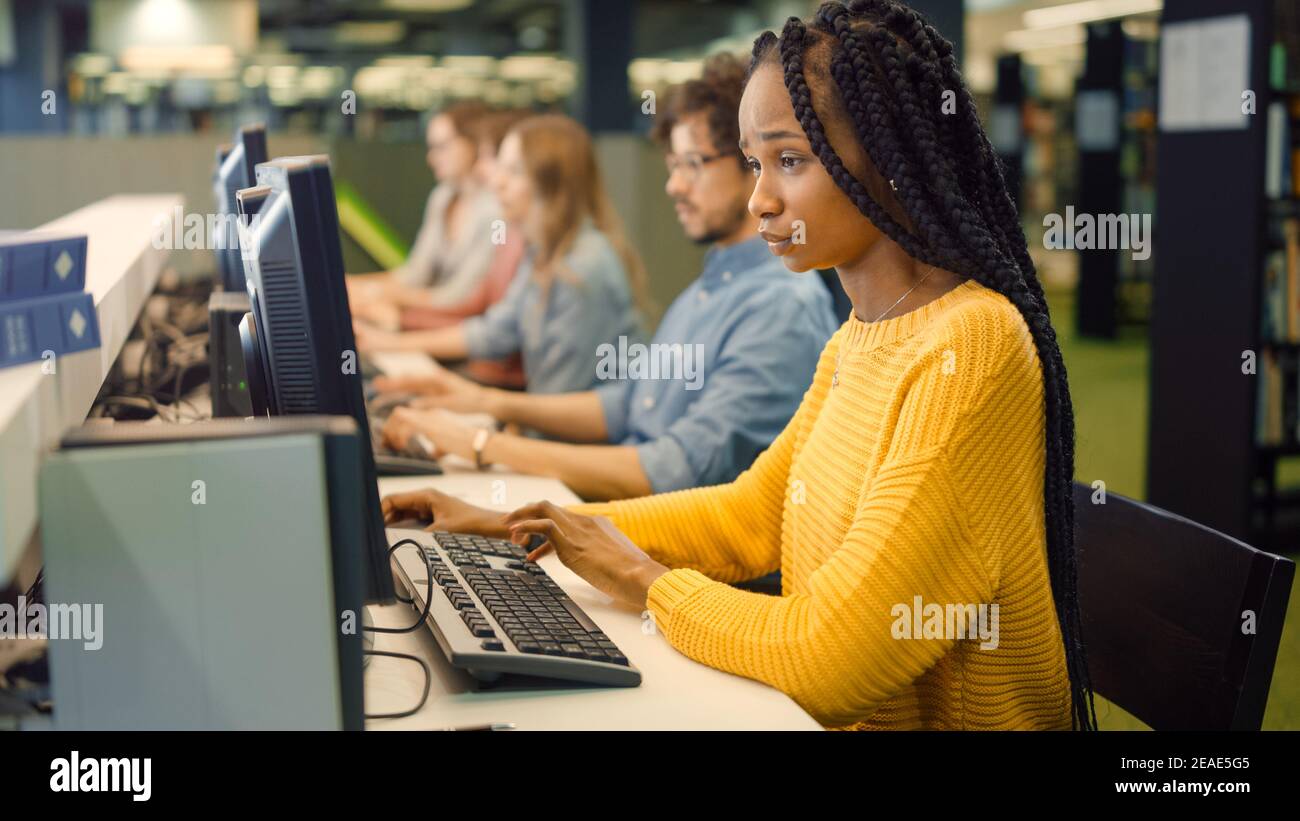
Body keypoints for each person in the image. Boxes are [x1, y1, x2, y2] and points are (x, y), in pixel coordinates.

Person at [381, 0, 1095, 731]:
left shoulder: (973, 345)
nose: (761, 198)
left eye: (790, 161)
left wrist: (642, 579)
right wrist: (521, 525)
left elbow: (831, 658)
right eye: (756, 164)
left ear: (885, 163)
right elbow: (752, 514)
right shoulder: (862, 335)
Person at [375, 54, 837, 502]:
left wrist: (480, 442)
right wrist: (486, 403)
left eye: (691, 164)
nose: (673, 185)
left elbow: (675, 470)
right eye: (672, 166)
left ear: (747, 165)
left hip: (679, 556)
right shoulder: (711, 286)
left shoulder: (779, 307)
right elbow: (628, 402)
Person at [355, 114, 649, 399]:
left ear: (552, 186)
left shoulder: (583, 267)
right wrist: (393, 343)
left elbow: (558, 406)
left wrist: (479, 416)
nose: (496, 181)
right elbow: (494, 332)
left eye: (514, 170)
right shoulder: (541, 253)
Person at [399, 109, 532, 388]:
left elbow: (493, 333)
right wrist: (396, 329)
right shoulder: (512, 235)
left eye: (495, 161)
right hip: (487, 373)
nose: (483, 171)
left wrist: (397, 327)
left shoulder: (513, 231)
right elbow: (476, 307)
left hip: (501, 381)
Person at [348, 101, 499, 327]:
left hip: (464, 325)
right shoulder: (443, 197)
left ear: (473, 143)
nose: (431, 158)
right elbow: (416, 273)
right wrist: (354, 286)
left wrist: (372, 293)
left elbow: (460, 297)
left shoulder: (494, 211)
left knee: (374, 316)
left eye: (442, 147)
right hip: (438, 314)